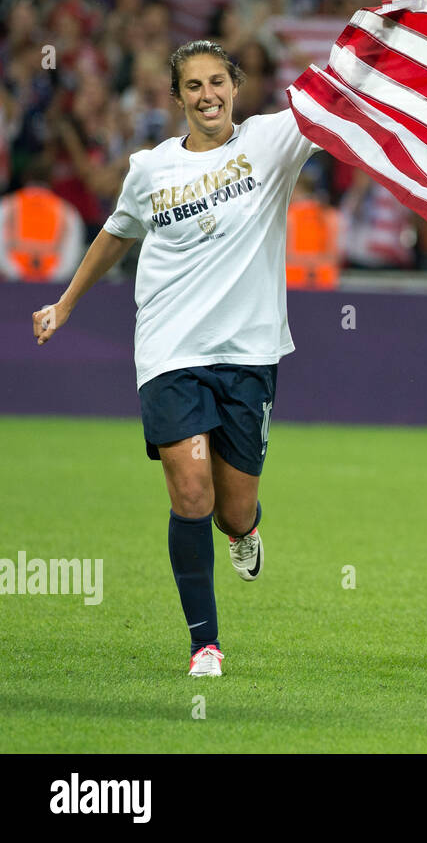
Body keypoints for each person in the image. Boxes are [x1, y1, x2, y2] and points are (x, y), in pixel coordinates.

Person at [31, 40, 321, 677]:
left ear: (235, 87)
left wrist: (383, 36)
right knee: (190, 492)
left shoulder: (274, 141)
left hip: (249, 352)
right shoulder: (151, 169)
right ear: (177, 96)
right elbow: (116, 233)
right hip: (168, 349)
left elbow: (337, 95)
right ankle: (205, 643)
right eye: (194, 86)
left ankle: (244, 532)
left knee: (231, 508)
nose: (208, 95)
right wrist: (66, 304)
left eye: (217, 82)